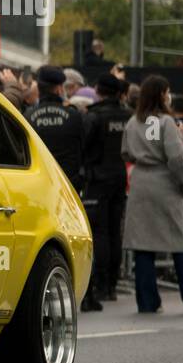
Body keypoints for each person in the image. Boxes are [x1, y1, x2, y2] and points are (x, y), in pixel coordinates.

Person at [121, 75, 183, 314]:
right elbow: (175, 157)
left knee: (143, 245)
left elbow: (126, 152)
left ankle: (147, 301)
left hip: (140, 183)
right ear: (161, 95)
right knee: (179, 243)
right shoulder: (165, 122)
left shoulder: (133, 122)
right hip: (165, 184)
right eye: (166, 92)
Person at [82, 74, 131, 307]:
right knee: (114, 230)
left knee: (100, 231)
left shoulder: (95, 116)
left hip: (98, 178)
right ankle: (112, 283)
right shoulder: (128, 115)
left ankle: (102, 284)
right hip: (120, 177)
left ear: (99, 91)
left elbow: (84, 145)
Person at [25, 65, 84, 191]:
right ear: (58, 89)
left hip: (38, 184)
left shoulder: (28, 116)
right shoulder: (74, 115)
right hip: (68, 186)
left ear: (39, 89)